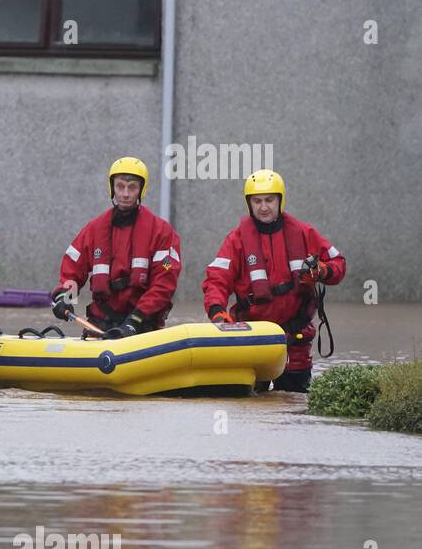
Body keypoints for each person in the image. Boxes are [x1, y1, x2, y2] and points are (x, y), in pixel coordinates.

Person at [202, 169, 346, 393]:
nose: (264, 207)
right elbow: (216, 280)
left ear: (281, 200)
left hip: (295, 340)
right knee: (248, 413)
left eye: (270, 200)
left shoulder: (304, 232)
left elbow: (338, 263)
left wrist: (322, 270)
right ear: (249, 204)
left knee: (293, 411)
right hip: (252, 340)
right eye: (257, 201)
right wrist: (217, 311)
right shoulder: (236, 240)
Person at [50, 157, 182, 338]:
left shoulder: (161, 232)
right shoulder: (95, 229)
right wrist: (64, 297)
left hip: (142, 326)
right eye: (120, 186)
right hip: (100, 325)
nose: (125, 194)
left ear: (141, 190)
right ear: (112, 188)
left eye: (132, 187)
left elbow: (165, 283)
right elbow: (73, 267)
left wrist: (135, 320)